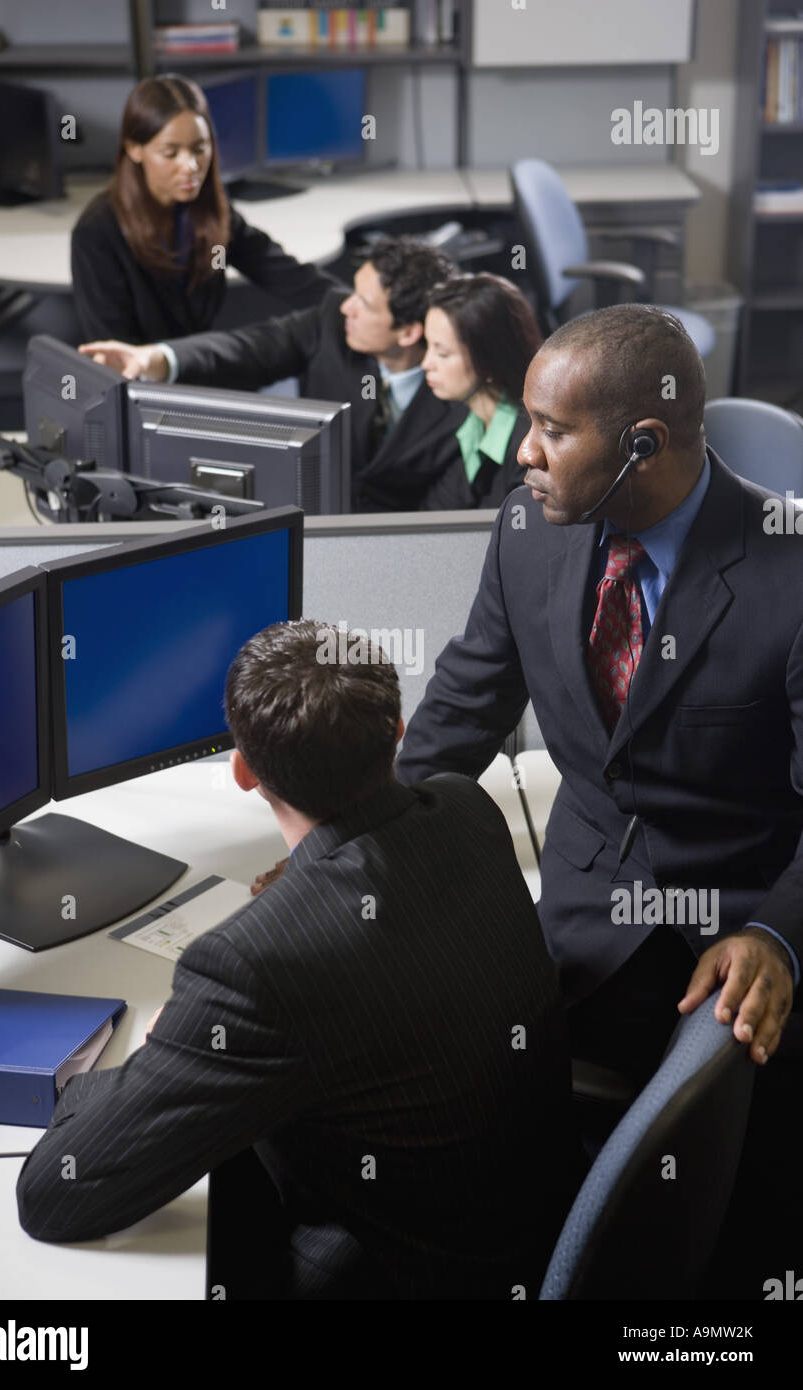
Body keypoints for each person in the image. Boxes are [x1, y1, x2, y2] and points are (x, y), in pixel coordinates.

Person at [397, 302, 803, 1299]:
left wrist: (775, 936)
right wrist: (348, 843)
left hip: (734, 928)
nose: (521, 452)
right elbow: (458, 714)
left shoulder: (788, 573)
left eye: (549, 429)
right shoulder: (528, 531)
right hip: (576, 905)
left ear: (640, 444)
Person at [16, 620, 583, 1300]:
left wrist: (160, 1053)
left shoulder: (254, 965)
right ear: (397, 731)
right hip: (528, 1231)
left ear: (244, 771)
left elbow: (54, 1194)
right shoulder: (468, 810)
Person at [79, 237, 468, 512]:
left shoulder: (462, 391)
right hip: (305, 518)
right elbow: (248, 349)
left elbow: (447, 509)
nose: (346, 307)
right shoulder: (332, 321)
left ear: (408, 332)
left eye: (364, 304)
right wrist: (154, 359)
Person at [71, 75, 335, 345]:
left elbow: (285, 273)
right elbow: (114, 351)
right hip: (144, 379)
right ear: (134, 150)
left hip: (195, 364)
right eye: (170, 153)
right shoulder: (97, 232)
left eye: (200, 148)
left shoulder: (210, 211)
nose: (191, 166)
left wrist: (357, 306)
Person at [420, 273, 543, 510]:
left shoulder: (531, 449)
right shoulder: (466, 418)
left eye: (442, 354)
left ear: (488, 360)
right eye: (428, 346)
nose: (426, 363)